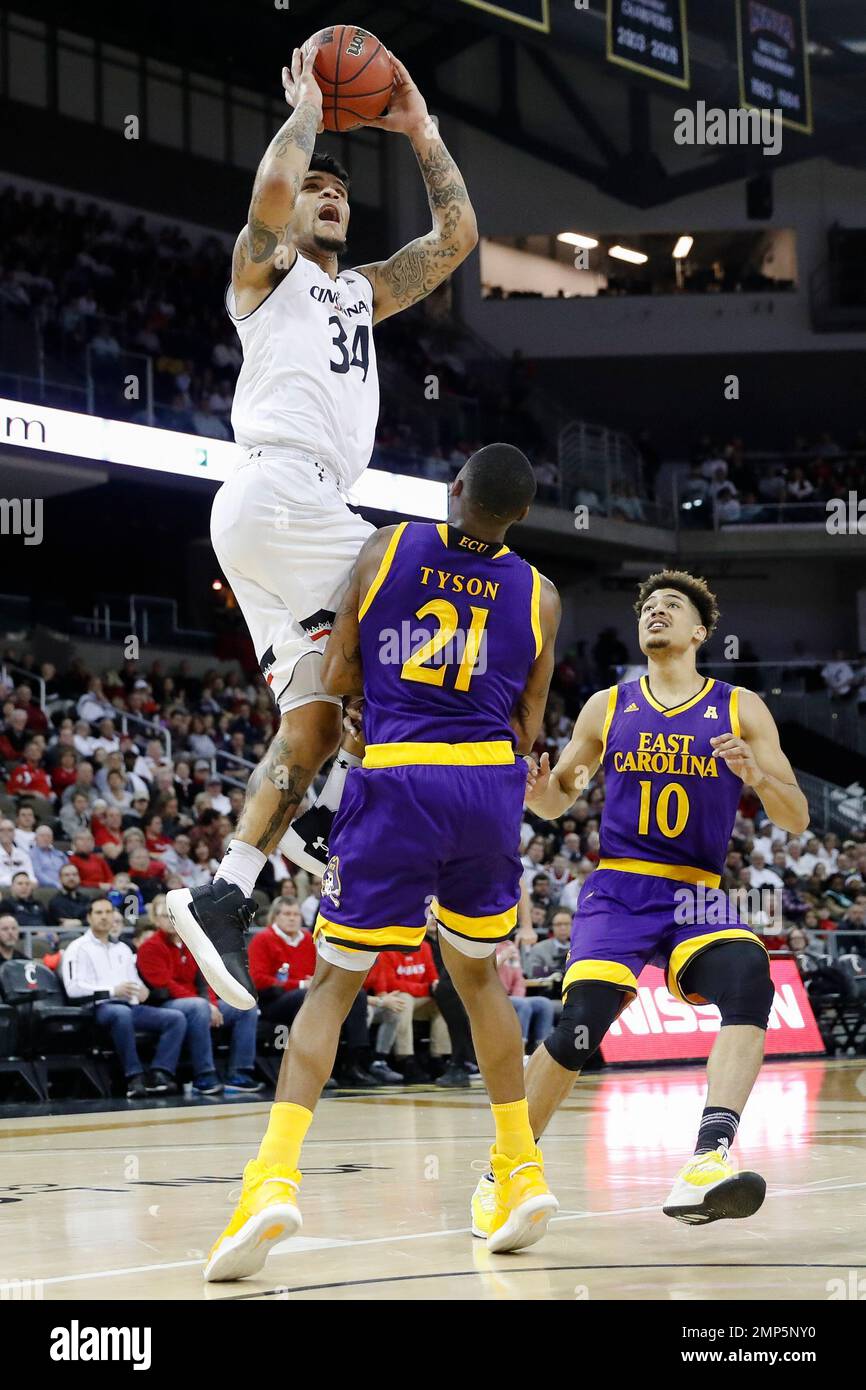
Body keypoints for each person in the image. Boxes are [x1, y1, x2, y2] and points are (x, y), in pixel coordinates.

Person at [166, 43, 478, 1010]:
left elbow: (457, 238)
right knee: (429, 583)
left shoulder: (359, 292)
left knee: (309, 721)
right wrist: (306, 111)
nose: (328, 193)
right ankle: (343, 810)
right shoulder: (263, 276)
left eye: (341, 187)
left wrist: (420, 126)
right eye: (318, 187)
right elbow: (268, 190)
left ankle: (230, 887)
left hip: (273, 520)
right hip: (284, 496)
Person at [202, 443, 561, 1282]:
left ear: (456, 490)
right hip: (487, 792)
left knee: (334, 984)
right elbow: (528, 728)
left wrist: (372, 712)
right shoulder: (543, 594)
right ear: (520, 515)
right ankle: (521, 1168)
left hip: (398, 778)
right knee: (478, 979)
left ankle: (272, 1181)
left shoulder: (388, 547)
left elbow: (339, 671)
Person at [473, 569, 808, 1232]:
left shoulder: (740, 708)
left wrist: (757, 773)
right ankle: (503, 1173)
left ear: (699, 630)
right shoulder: (608, 705)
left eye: (671, 606)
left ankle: (707, 1160)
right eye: (647, 606)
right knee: (580, 1022)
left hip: (696, 895)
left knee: (749, 977)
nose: (655, 612)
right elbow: (558, 797)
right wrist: (539, 792)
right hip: (620, 886)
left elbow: (795, 816)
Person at [61, 897, 186, 1098]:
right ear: (89, 917)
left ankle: (160, 1073)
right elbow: (74, 989)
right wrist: (112, 991)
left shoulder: (123, 949)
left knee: (176, 1018)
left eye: (108, 912)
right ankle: (133, 1077)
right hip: (96, 1007)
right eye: (99, 913)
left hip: (129, 1007)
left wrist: (142, 990)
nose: (104, 917)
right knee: (120, 1013)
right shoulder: (77, 948)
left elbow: (133, 981)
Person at [136, 897, 262, 1096]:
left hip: (199, 1004)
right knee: (198, 1007)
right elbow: (164, 984)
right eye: (164, 916)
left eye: (172, 916)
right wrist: (206, 1005)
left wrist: (211, 1004)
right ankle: (204, 1075)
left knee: (245, 1007)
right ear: (156, 920)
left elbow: (206, 980)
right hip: (164, 1004)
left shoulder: (192, 944)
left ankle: (240, 1073)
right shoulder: (149, 947)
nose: (169, 920)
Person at [496, 937, 555, 1051]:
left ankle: (542, 1053)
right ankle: (519, 1052)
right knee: (523, 1005)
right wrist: (502, 957)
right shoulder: (484, 945)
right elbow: (483, 972)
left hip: (510, 997)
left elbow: (518, 979)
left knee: (544, 1004)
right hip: (490, 997)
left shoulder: (510, 946)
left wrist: (517, 996)